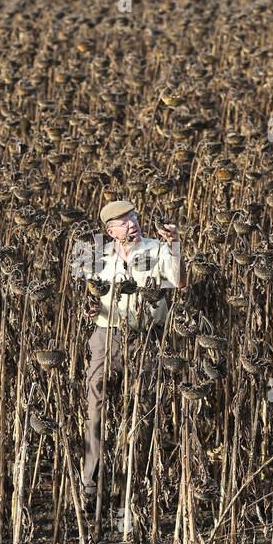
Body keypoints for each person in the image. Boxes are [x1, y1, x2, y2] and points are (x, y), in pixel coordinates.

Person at [80, 200, 186, 519]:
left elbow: (179, 283)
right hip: (106, 337)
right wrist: (89, 310)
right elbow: (85, 298)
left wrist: (175, 244)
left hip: (146, 338)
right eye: (124, 222)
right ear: (110, 231)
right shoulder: (94, 254)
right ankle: (90, 487)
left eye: (135, 218)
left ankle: (136, 489)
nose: (132, 225)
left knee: (144, 412)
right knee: (95, 408)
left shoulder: (157, 248)